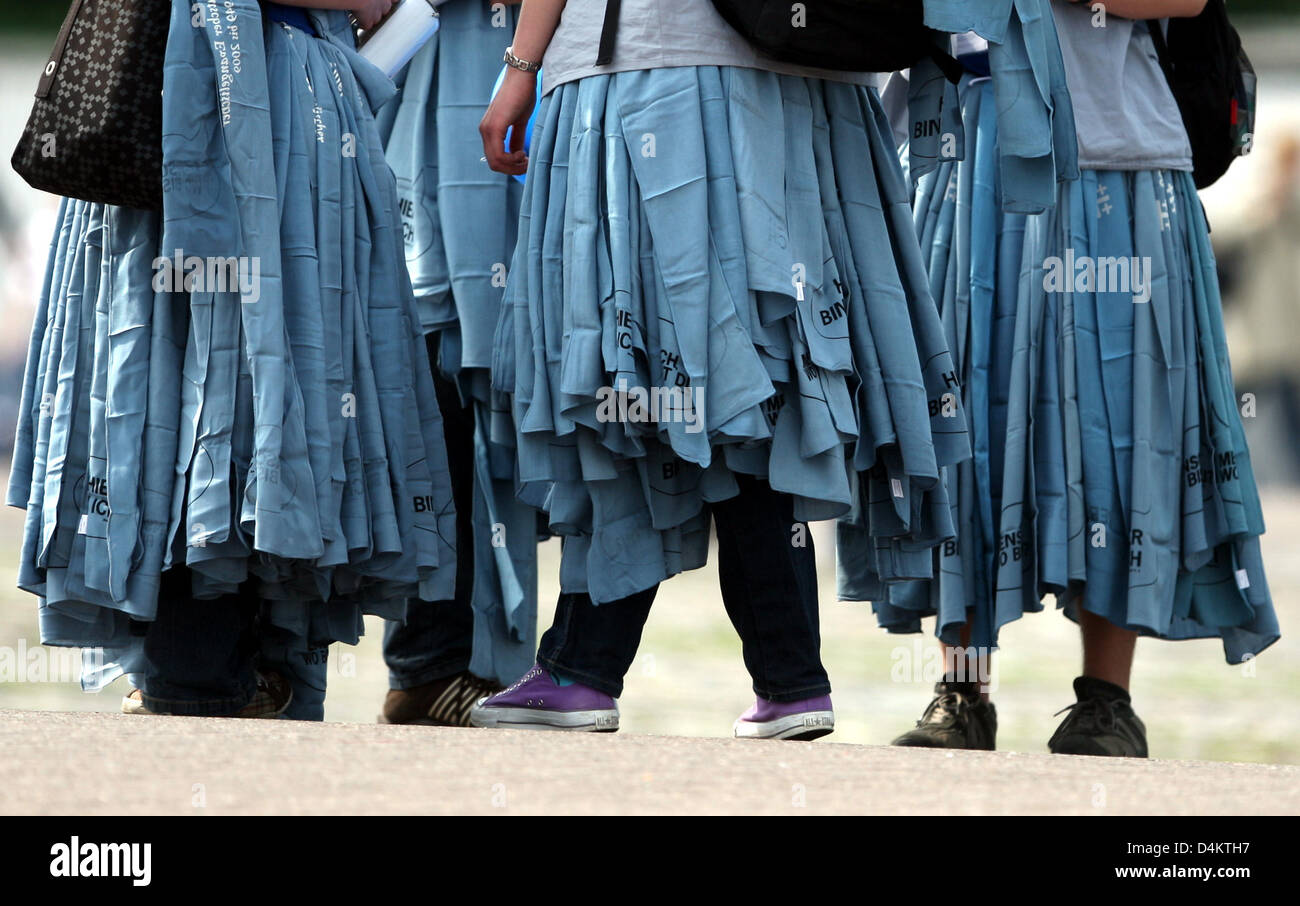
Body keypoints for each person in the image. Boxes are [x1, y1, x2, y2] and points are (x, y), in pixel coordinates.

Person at [468, 0, 968, 738]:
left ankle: (586, 669)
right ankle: (786, 675)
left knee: (635, 376)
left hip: (650, 69)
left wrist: (520, 65)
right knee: (763, 376)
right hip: (810, 75)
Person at [7, 0, 457, 719]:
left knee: (193, 381)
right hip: (236, 106)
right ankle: (200, 667)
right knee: (235, 387)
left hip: (190, 100)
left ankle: (218, 661)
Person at [878, 0, 1280, 756]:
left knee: (1121, 431)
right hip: (969, 153)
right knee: (962, 422)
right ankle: (961, 692)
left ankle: (1108, 701)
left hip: (1116, 162)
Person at [370, 0, 544, 726]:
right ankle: (436, 662)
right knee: (433, 366)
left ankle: (470, 662)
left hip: (517, 75)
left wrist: (523, 65)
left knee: (497, 375)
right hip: (416, 79)